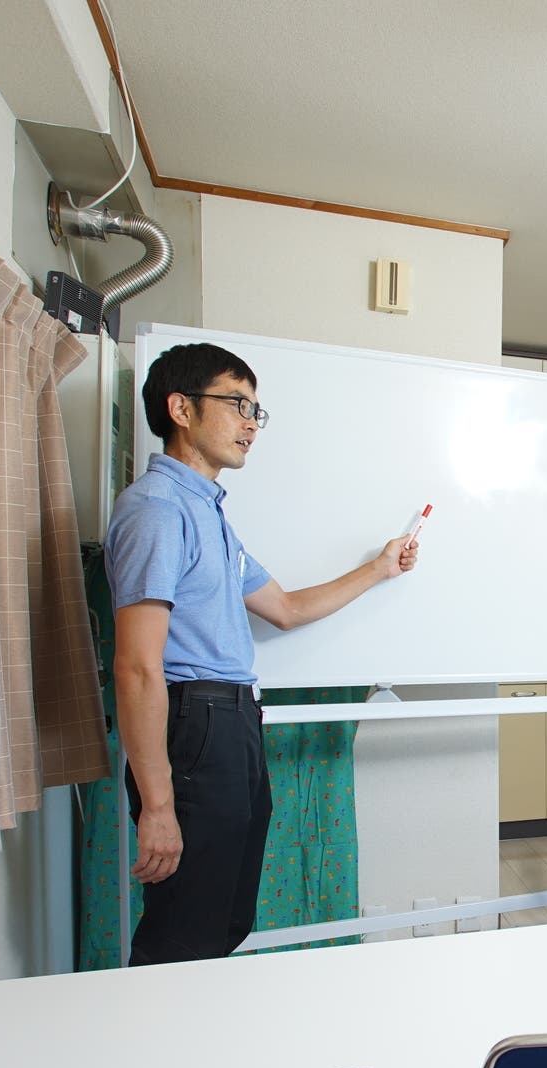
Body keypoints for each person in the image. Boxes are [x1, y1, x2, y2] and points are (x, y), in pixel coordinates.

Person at [105, 342, 420, 966]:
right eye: (237, 403)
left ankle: (204, 1054)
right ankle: (155, 1056)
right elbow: (137, 665)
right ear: (181, 409)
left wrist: (379, 569)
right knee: (184, 930)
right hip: (194, 724)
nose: (252, 421)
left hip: (233, 722)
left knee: (225, 917)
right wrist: (159, 808)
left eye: (257, 409)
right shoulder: (158, 511)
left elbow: (286, 608)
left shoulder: (210, 515)